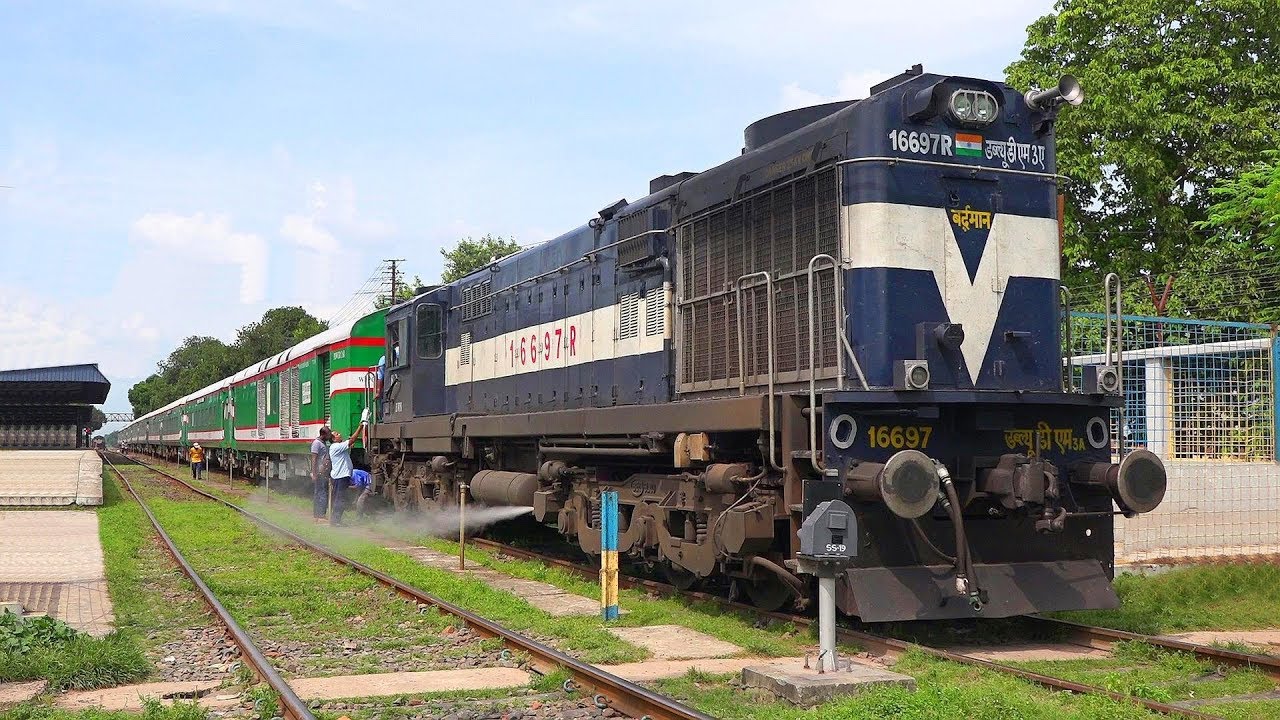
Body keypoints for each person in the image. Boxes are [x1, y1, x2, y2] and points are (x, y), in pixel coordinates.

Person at [327, 410, 369, 527]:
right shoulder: (335, 447)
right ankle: (335, 522)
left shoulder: (337, 447)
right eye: (337, 434)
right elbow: (351, 441)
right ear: (334, 439)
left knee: (340, 498)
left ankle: (336, 520)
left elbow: (349, 444)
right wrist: (360, 426)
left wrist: (350, 444)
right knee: (340, 499)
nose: (339, 434)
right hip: (340, 477)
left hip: (341, 476)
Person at [310, 426, 332, 523]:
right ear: (323, 434)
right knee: (321, 493)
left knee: (321, 492)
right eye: (328, 434)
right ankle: (320, 514)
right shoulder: (316, 443)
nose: (329, 436)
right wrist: (314, 473)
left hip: (323, 471)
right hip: (319, 472)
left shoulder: (323, 443)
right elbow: (314, 459)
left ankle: (318, 514)